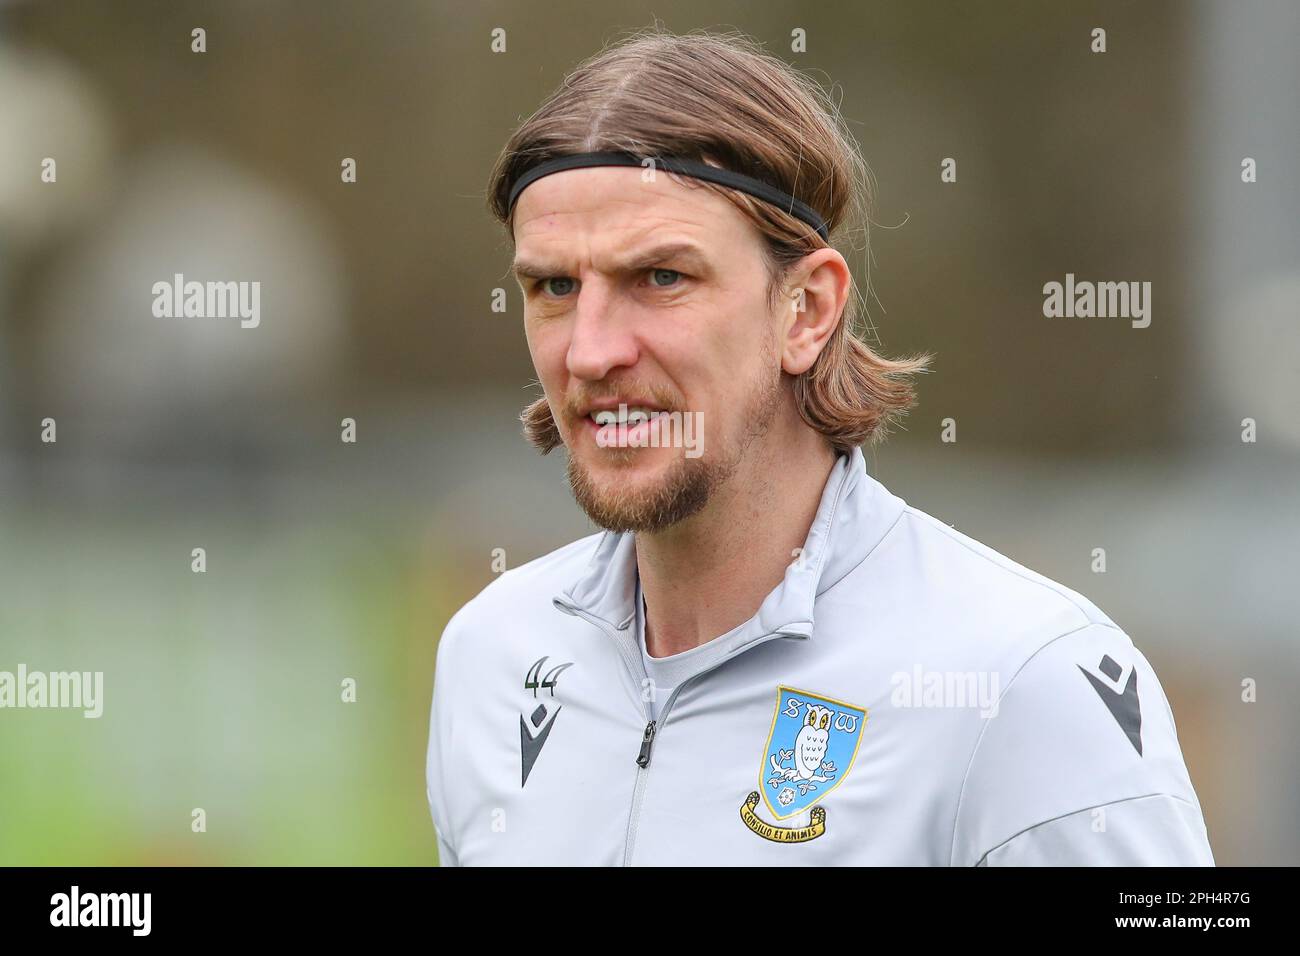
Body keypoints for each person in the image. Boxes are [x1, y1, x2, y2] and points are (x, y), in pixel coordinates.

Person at [424, 28, 1214, 866]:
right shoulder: (492, 655)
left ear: (805, 310)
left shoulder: (1023, 676)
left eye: (660, 278)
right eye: (554, 286)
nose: (590, 351)